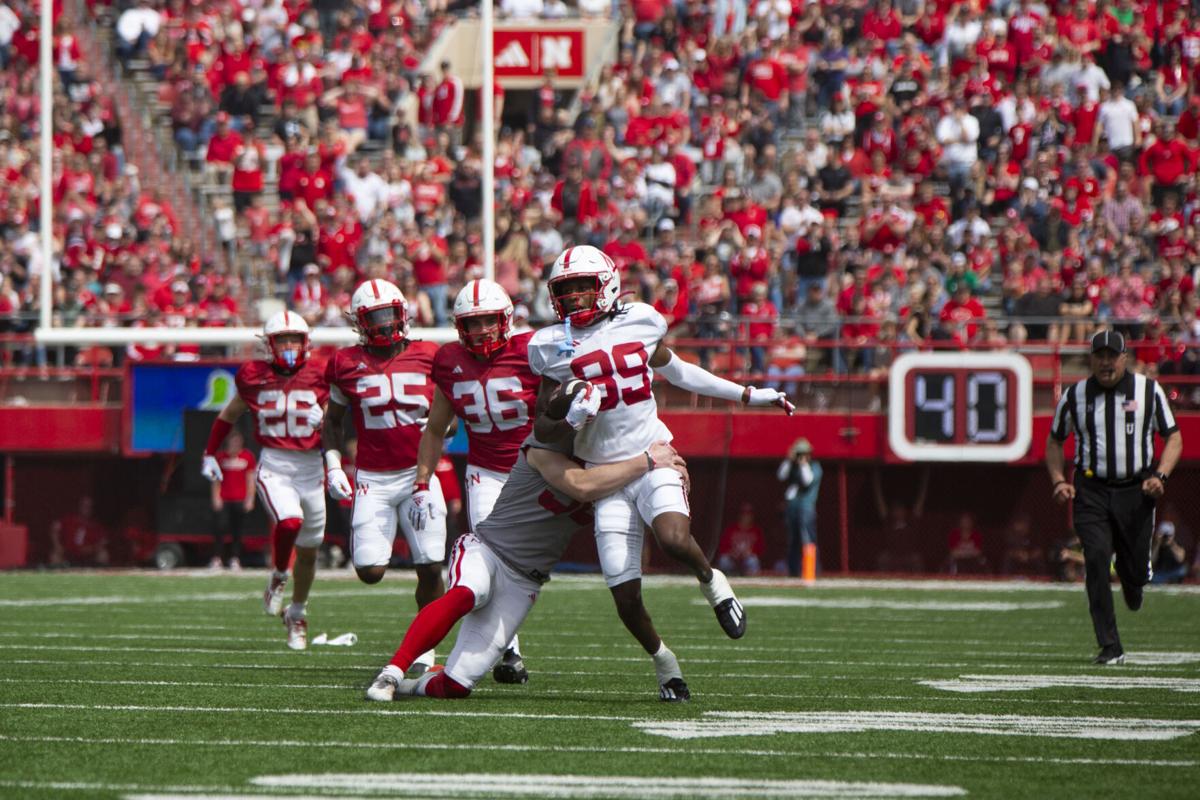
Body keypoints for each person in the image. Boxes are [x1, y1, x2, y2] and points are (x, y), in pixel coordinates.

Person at [528, 245, 794, 653]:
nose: (574, 297)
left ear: (607, 285)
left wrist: (747, 394)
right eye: (567, 289)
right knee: (625, 596)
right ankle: (665, 663)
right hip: (606, 475)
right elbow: (544, 428)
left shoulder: (640, 320)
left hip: (654, 454)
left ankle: (712, 581)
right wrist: (571, 418)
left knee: (672, 538)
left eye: (583, 287)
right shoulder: (548, 346)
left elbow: (680, 371)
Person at [365, 390, 691, 702]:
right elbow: (582, 486)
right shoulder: (543, 447)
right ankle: (391, 672)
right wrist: (648, 461)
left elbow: (639, 489)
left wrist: (669, 479)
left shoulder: (615, 461)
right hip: (489, 550)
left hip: (524, 581)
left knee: (456, 685)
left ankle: (409, 686)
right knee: (468, 592)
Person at [411, 279, 540, 684]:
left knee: (526, 564)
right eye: (473, 322)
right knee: (493, 560)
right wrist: (421, 480)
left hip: (536, 469)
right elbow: (436, 427)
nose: (482, 329)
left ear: (505, 320)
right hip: (485, 471)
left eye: (488, 320)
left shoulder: (533, 351)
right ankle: (510, 652)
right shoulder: (449, 360)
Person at [322, 279, 446, 674]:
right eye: (374, 317)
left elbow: (453, 415)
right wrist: (333, 463)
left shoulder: (430, 355)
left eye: (389, 314)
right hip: (373, 478)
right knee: (371, 571)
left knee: (429, 564)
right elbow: (333, 422)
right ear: (360, 322)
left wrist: (443, 426)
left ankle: (427, 650)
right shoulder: (344, 363)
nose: (384, 323)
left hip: (418, 473)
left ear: (403, 313)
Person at [1046, 330, 1183, 665]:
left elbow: (1174, 438)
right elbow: (1054, 442)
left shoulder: (1148, 391)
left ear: (1125, 358)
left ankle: (1133, 578)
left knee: (1134, 571)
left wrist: (1160, 475)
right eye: (1100, 355)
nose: (1106, 362)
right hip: (1091, 490)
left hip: (1136, 490)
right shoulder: (1075, 395)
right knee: (1094, 558)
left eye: (1113, 355)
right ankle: (1110, 645)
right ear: (1091, 359)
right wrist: (1058, 480)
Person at [200, 312, 328, 650]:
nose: (289, 347)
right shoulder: (253, 376)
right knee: (289, 522)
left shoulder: (321, 374)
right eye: (282, 340)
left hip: (312, 468)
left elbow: (342, 423)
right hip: (275, 463)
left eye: (294, 340)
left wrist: (326, 421)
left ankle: (297, 613)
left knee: (311, 551)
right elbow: (228, 414)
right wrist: (210, 452)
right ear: (269, 345)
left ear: (306, 342)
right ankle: (278, 576)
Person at [210, 429, 255, 570]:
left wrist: (250, 499)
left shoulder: (247, 457)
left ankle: (235, 559)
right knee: (220, 528)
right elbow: (216, 480)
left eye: (238, 441)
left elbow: (250, 479)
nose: (235, 444)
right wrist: (216, 497)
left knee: (238, 530)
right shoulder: (220, 457)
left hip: (240, 499)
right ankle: (217, 558)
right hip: (224, 499)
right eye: (233, 441)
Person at [778, 438, 822, 577]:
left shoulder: (814, 467)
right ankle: (793, 571)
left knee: (807, 538)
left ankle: (811, 571)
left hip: (806, 508)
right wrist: (788, 460)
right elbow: (781, 476)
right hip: (792, 507)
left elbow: (807, 480)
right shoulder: (792, 466)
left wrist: (803, 464)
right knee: (793, 540)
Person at [48, 496, 109, 567]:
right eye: (84, 506)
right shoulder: (69, 520)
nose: (86, 508)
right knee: (54, 555)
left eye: (89, 506)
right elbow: (54, 529)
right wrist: (57, 545)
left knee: (103, 554)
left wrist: (93, 548)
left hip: (88, 556)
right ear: (79, 506)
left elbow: (103, 541)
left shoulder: (96, 526)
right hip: (68, 554)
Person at [716, 503, 764, 577]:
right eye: (744, 514)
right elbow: (722, 547)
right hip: (732, 558)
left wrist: (750, 553)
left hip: (748, 559)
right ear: (740, 515)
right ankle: (726, 579)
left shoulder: (756, 531)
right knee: (724, 561)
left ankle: (752, 581)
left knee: (753, 561)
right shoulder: (731, 529)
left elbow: (761, 549)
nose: (746, 516)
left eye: (749, 514)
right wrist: (731, 553)